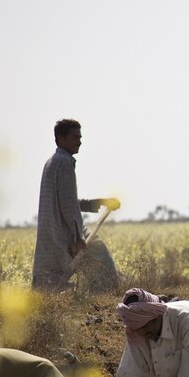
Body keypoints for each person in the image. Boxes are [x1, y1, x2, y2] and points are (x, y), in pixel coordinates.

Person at [32, 118, 121, 292]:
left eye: (80, 137)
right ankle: (100, 300)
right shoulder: (64, 163)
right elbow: (68, 206)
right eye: (74, 137)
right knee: (103, 265)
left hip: (53, 231)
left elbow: (68, 200)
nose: (80, 141)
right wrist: (77, 237)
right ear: (61, 139)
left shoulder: (52, 161)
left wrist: (101, 202)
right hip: (66, 231)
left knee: (51, 278)